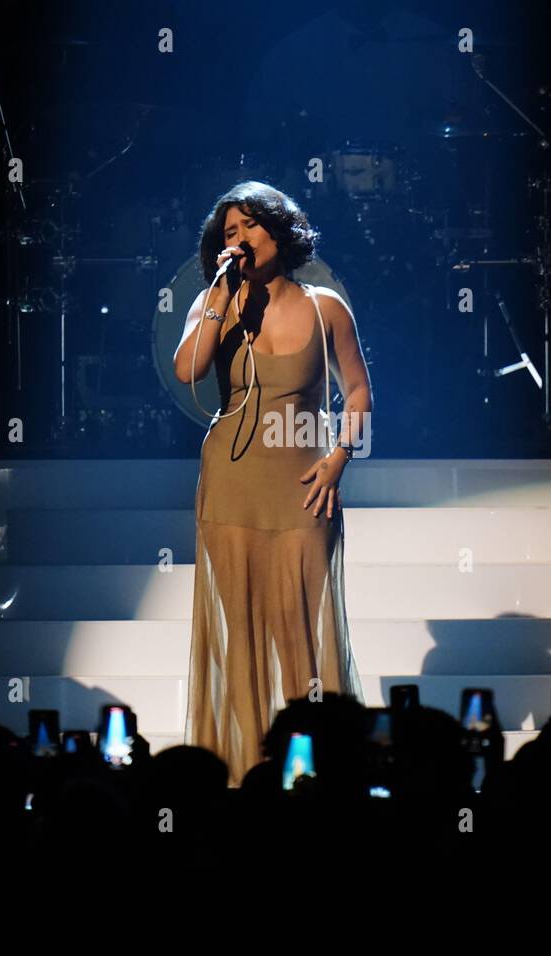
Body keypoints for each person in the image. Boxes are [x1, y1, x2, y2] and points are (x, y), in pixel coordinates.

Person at [173, 181, 372, 786]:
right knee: (241, 638)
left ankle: (320, 772)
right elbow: (190, 369)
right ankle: (248, 776)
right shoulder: (218, 304)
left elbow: (359, 391)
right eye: (228, 233)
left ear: (279, 231)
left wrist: (341, 456)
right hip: (232, 483)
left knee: (299, 638)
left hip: (303, 484)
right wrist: (216, 297)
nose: (239, 240)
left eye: (250, 227)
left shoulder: (325, 306)